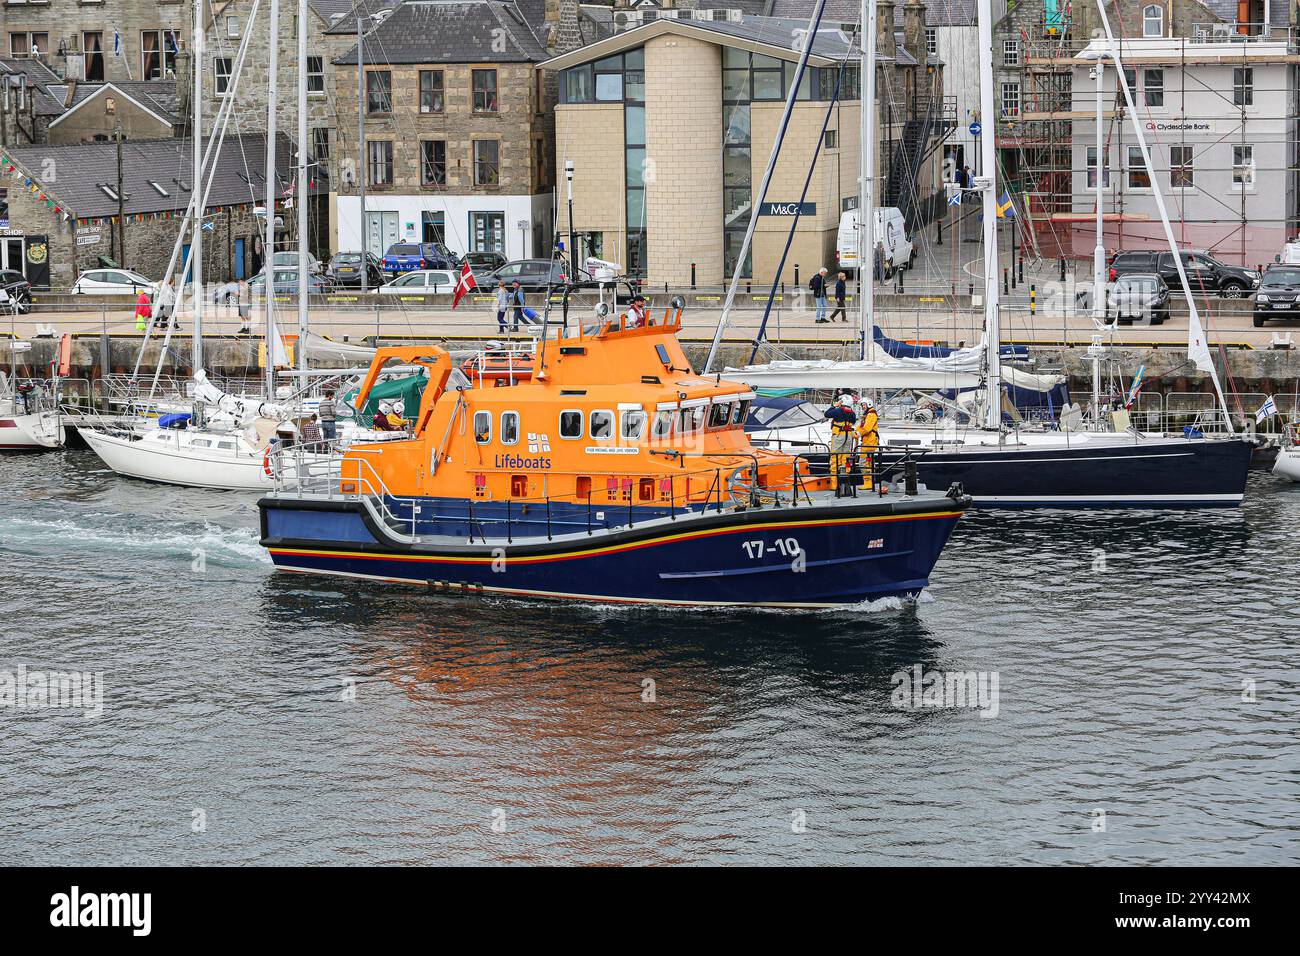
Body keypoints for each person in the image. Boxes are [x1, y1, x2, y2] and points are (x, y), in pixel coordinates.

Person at [823, 395, 858, 497]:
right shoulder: (852, 413)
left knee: (835, 459)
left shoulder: (838, 411)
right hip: (848, 437)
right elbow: (854, 421)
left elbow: (827, 414)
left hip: (838, 436)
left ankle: (834, 484)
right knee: (845, 459)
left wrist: (834, 405)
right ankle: (845, 482)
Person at [855, 397, 880, 489]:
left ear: (869, 404)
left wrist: (857, 434)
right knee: (868, 463)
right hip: (868, 442)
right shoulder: (868, 415)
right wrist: (856, 431)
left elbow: (867, 428)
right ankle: (870, 482)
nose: (862, 407)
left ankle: (868, 482)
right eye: (862, 405)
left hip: (869, 442)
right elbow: (861, 426)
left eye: (864, 405)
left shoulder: (871, 415)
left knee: (864, 462)